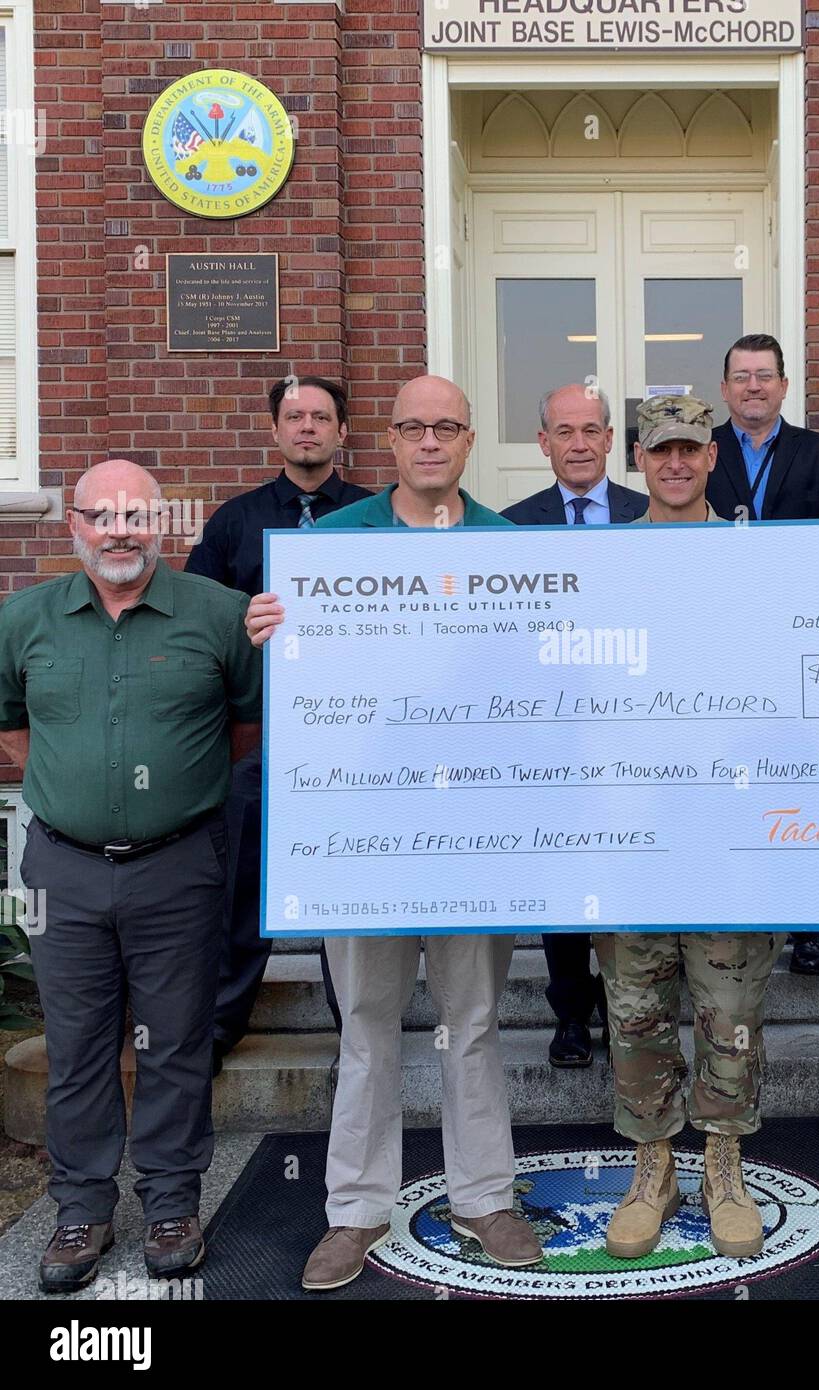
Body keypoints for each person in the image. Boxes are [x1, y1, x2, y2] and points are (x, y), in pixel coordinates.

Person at [245, 375, 543, 1289]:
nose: (427, 441)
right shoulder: (329, 546)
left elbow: (541, 692)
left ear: (468, 439)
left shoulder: (508, 546)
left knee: (474, 1021)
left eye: (445, 426)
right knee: (368, 1024)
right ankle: (356, 1209)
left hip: (471, 834)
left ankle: (485, 1195)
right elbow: (294, 698)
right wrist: (269, 637)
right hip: (364, 832)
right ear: (389, 438)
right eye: (411, 427)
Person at [0, 459, 261, 1293]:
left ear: (162, 525)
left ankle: (172, 1203)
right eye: (101, 516)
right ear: (73, 524)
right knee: (76, 1048)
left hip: (179, 867)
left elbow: (246, 729)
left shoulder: (219, 616)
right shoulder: (25, 619)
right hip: (64, 870)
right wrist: (77, 796)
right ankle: (80, 1208)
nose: (120, 531)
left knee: (176, 1042)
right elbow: (11, 727)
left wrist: (169, 797)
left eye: (136, 516)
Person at [593, 394, 783, 1261]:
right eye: (660, 449)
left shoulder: (754, 559)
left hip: (727, 830)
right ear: (638, 458)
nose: (675, 463)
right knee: (636, 1008)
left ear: (713, 458)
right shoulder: (601, 562)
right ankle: (653, 1167)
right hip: (630, 828)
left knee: (730, 1006)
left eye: (690, 450)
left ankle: (725, 1165)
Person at [186, 377, 371, 1070]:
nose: (307, 429)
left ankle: (355, 1031)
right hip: (260, 736)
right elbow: (199, 626)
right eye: (294, 417)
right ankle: (219, 1027)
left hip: (354, 740)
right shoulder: (235, 522)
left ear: (341, 432)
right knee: (243, 887)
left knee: (341, 895)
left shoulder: (371, 516)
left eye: (321, 418)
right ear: (275, 430)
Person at [502, 383, 648, 1067]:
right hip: (548, 736)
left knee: (622, 876)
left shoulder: (650, 517)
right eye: (565, 431)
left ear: (612, 440)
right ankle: (570, 1016)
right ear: (543, 443)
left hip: (632, 732)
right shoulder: (509, 527)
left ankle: (628, 1014)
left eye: (592, 430)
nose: (580, 443)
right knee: (562, 882)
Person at [708, 332, 819, 976]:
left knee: (806, 781)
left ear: (785, 386)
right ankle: (730, 898)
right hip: (721, 637)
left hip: (799, 640)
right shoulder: (695, 452)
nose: (753, 387)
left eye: (765, 375)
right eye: (741, 376)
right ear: (725, 388)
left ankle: (810, 925)